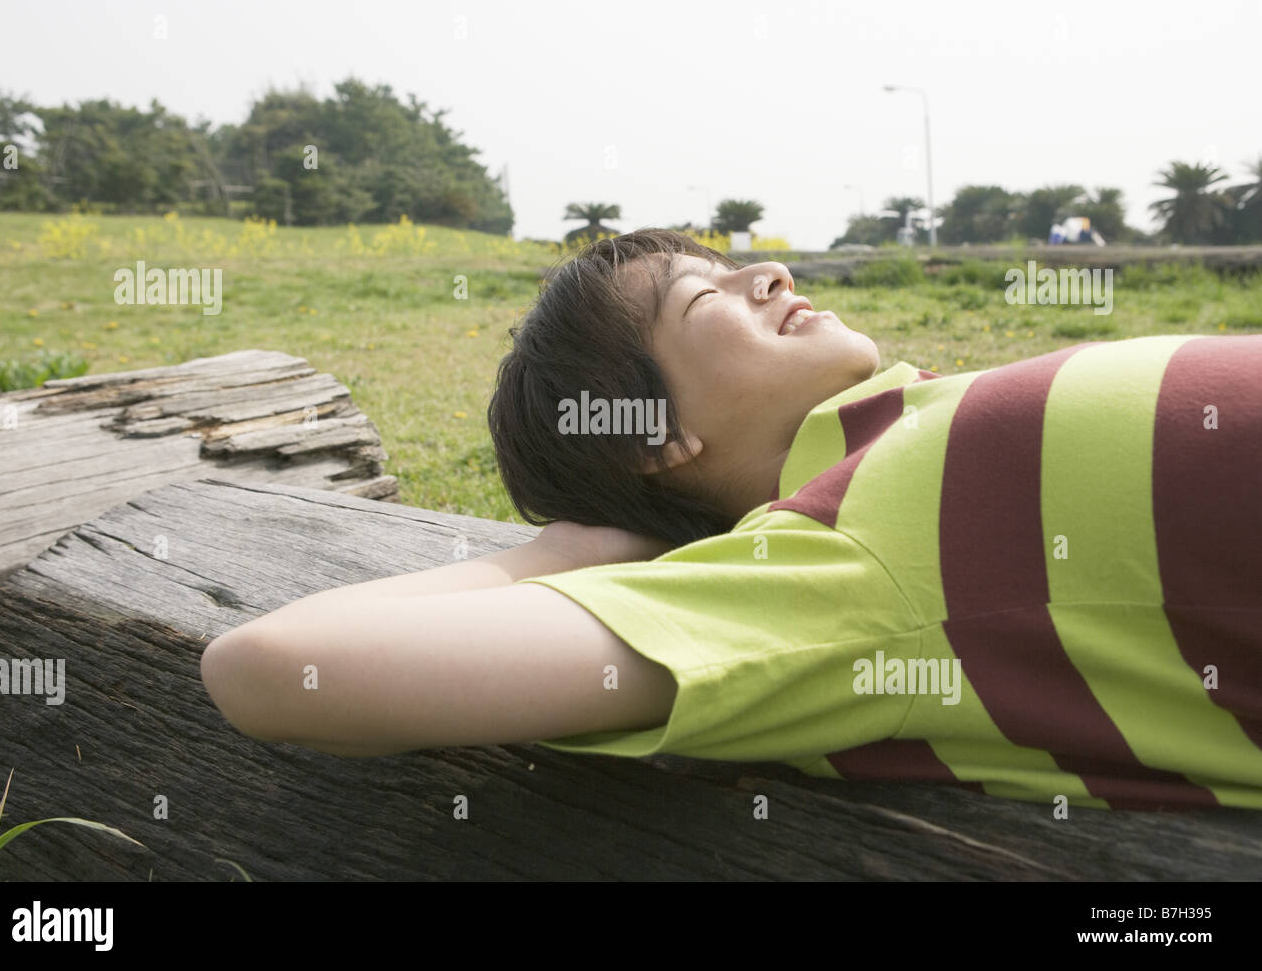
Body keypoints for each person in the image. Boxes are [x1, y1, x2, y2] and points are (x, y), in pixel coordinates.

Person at [200, 229, 1262, 811]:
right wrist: (565, 553)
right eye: (704, 299)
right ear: (651, 438)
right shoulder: (830, 558)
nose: (770, 272)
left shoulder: (895, 431)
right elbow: (273, 667)